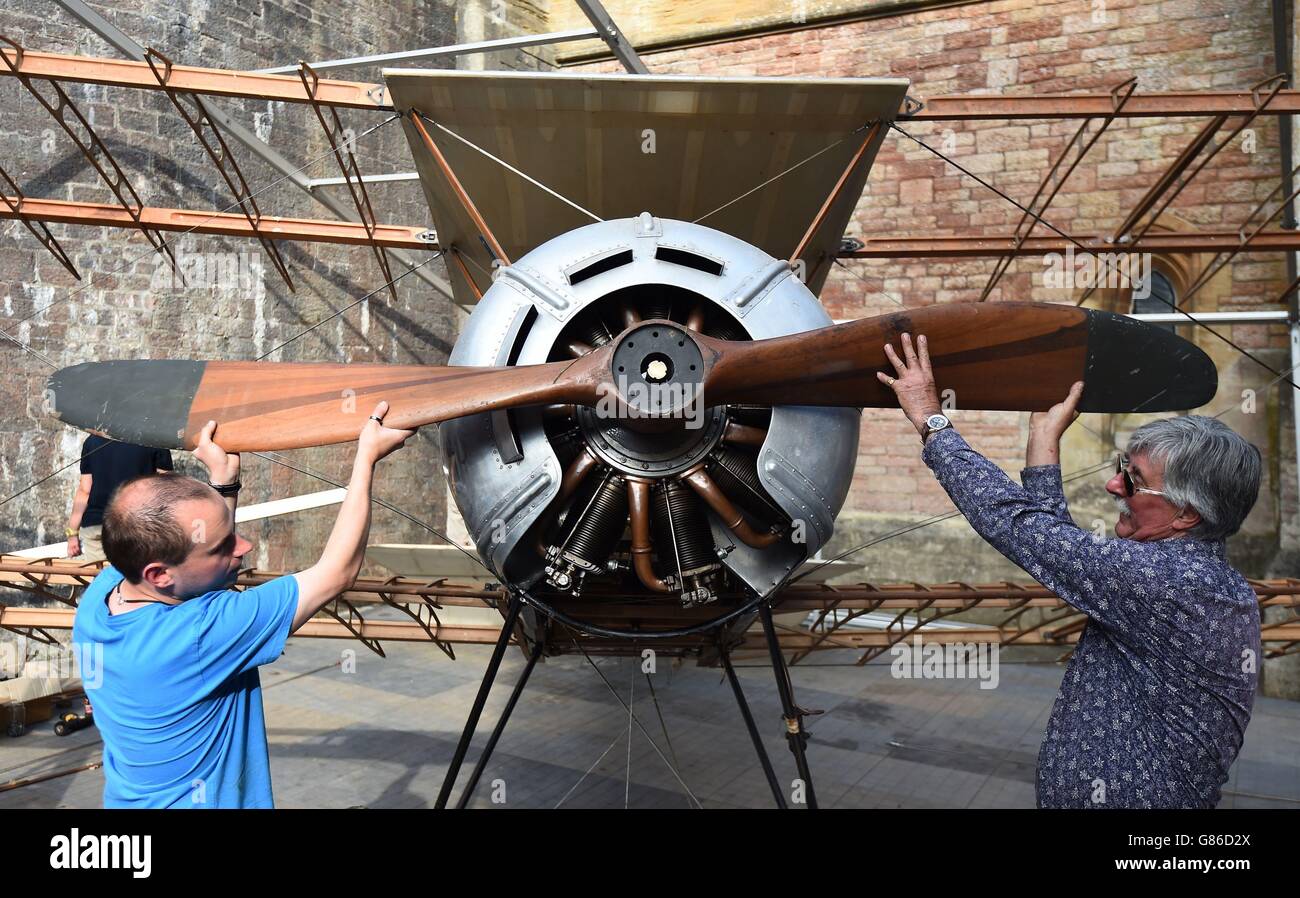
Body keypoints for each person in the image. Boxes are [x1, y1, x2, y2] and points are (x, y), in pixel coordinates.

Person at [876, 332, 1262, 809]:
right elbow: (1057, 551)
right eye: (1123, 466)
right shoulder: (1195, 575)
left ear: (1187, 514)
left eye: (1134, 481)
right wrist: (1043, 440)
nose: (1111, 484)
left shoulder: (1169, 581)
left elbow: (1020, 528)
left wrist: (932, 421)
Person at [71, 401, 414, 808]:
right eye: (225, 546)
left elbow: (196, 566)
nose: (245, 546)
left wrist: (223, 482)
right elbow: (337, 572)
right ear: (158, 575)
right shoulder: (200, 633)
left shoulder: (101, 594)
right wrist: (366, 457)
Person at [67, 435, 173, 561]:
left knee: (101, 576)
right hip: (136, 525)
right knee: (134, 576)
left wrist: (72, 533)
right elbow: (168, 489)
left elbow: (85, 491)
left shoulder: (92, 441)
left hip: (96, 526)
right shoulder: (154, 439)